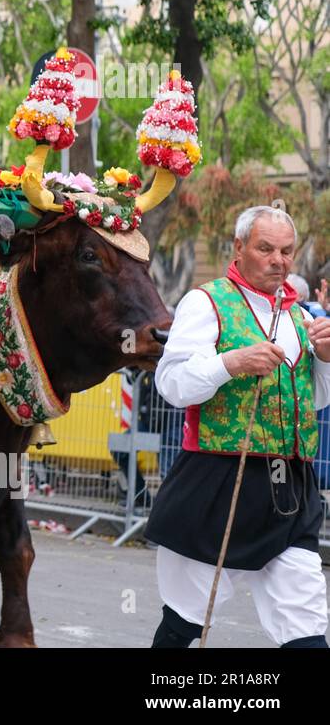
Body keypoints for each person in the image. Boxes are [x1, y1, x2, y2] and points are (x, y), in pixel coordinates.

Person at [147, 205, 330, 648]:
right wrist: (229, 363)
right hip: (219, 482)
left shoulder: (301, 317)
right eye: (266, 249)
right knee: (185, 621)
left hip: (289, 487)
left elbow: (315, 399)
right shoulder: (206, 301)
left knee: (306, 625)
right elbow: (170, 384)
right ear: (239, 247)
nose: (278, 261)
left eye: (287, 251)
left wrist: (324, 362)